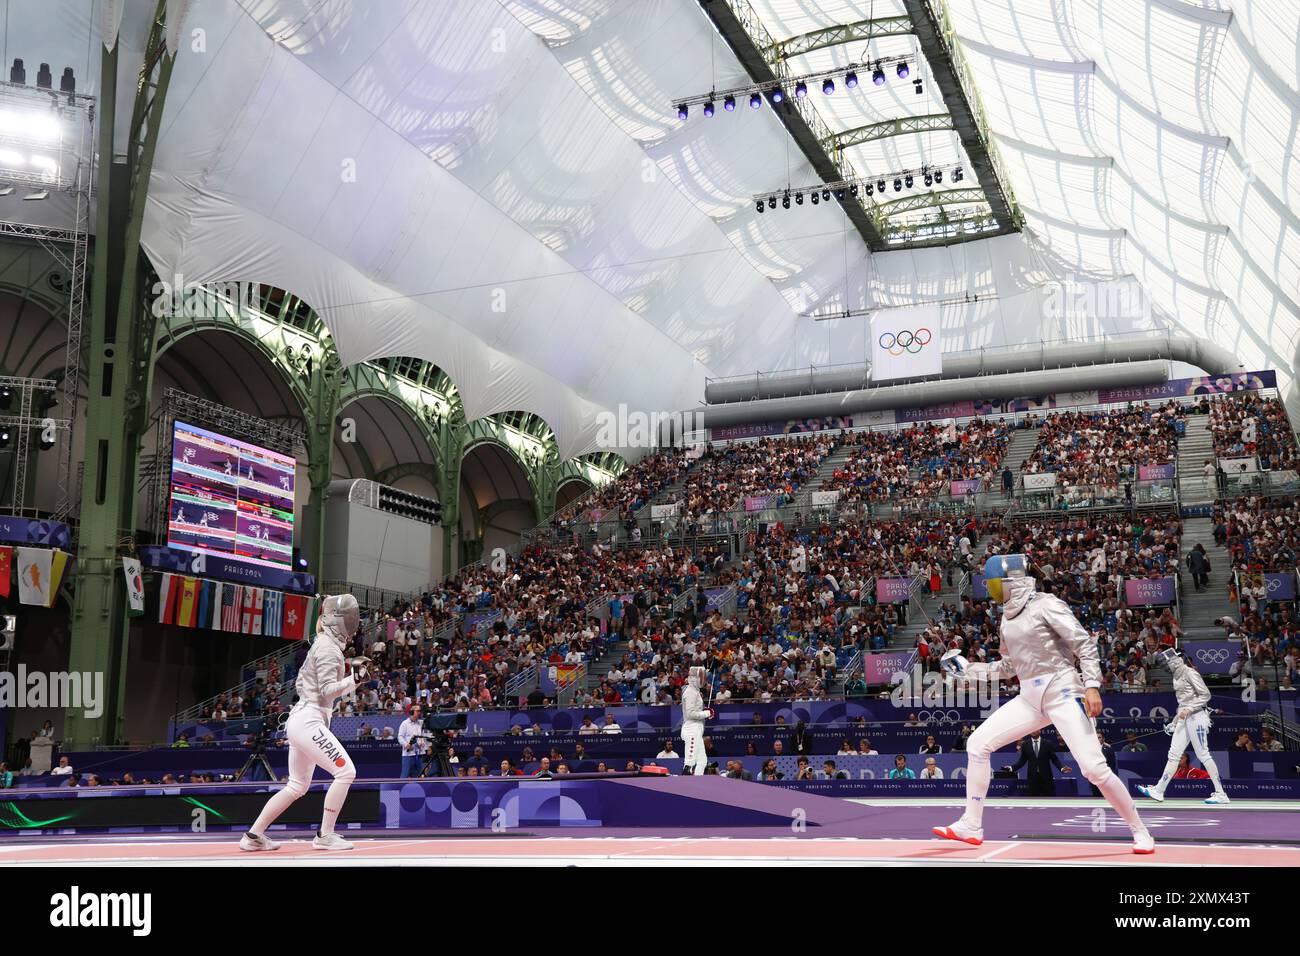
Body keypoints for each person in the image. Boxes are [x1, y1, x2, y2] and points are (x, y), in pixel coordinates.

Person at [933, 554, 1154, 853]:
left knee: (1094, 769)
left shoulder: (1046, 604)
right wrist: (966, 668)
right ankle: (971, 824)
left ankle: (1140, 831)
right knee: (977, 744)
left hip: (1063, 690)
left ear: (1010, 581)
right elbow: (1007, 668)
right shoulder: (1006, 618)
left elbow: (1084, 644)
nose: (990, 589)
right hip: (1029, 698)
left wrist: (1091, 685)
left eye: (993, 583)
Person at [241, 594, 367, 852]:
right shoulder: (327, 648)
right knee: (346, 772)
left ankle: (253, 836)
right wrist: (355, 680)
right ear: (337, 622)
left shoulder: (325, 644)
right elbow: (327, 690)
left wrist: (353, 679)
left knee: (297, 785)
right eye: (348, 619)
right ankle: (325, 835)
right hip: (308, 720)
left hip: (303, 719)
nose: (352, 624)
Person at [1137, 647, 1229, 804]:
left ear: (1174, 661)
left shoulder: (1189, 672)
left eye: (1166, 663)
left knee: (1203, 755)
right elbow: (1183, 703)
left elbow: (1205, 695)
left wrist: (1190, 709)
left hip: (1197, 717)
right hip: (1185, 718)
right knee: (1173, 755)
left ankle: (1221, 794)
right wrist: (1174, 723)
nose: (1165, 667)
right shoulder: (1176, 675)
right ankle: (1159, 791)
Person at [1009, 731, 1070, 796]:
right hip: (1032, 778)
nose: (1033, 731)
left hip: (1046, 777)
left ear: (1039, 730)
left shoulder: (1047, 743)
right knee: (1034, 800)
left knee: (1049, 799)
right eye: (1032, 730)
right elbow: (1022, 761)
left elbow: (1054, 759)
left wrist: (1061, 768)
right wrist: (1011, 768)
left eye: (1035, 729)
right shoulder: (1025, 744)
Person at [679, 665, 713, 775]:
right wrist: (706, 713)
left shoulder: (695, 691)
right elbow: (690, 714)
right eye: (701, 677)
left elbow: (695, 710)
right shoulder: (690, 692)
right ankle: (685, 786)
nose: (703, 680)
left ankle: (697, 783)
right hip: (691, 729)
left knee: (702, 761)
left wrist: (705, 712)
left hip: (696, 728)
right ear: (694, 678)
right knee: (689, 763)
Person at [397, 705, 426, 779]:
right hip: (408, 754)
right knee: (405, 775)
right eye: (417, 711)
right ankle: (401, 789)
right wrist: (406, 744)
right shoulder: (405, 723)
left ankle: (418, 790)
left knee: (419, 775)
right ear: (412, 712)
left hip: (419, 753)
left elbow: (423, 734)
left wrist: (423, 743)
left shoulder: (421, 723)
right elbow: (400, 736)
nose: (419, 713)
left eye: (420, 711)